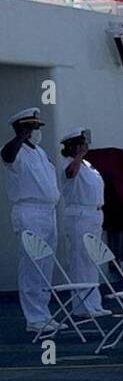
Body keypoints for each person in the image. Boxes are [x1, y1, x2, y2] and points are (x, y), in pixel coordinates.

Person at [2, 107, 61, 333]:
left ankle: (44, 313)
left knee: (45, 265)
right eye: (34, 127)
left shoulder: (39, 152)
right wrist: (19, 138)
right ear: (22, 128)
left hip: (48, 212)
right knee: (32, 264)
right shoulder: (14, 151)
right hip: (29, 212)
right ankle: (34, 318)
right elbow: (6, 156)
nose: (38, 131)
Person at [58, 128, 108, 319]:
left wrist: (82, 158)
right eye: (81, 143)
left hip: (94, 214)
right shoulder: (68, 163)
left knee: (91, 261)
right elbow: (70, 174)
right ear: (72, 145)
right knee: (79, 262)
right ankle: (81, 306)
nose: (85, 146)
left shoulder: (87, 164)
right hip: (79, 215)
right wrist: (78, 156)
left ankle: (94, 304)